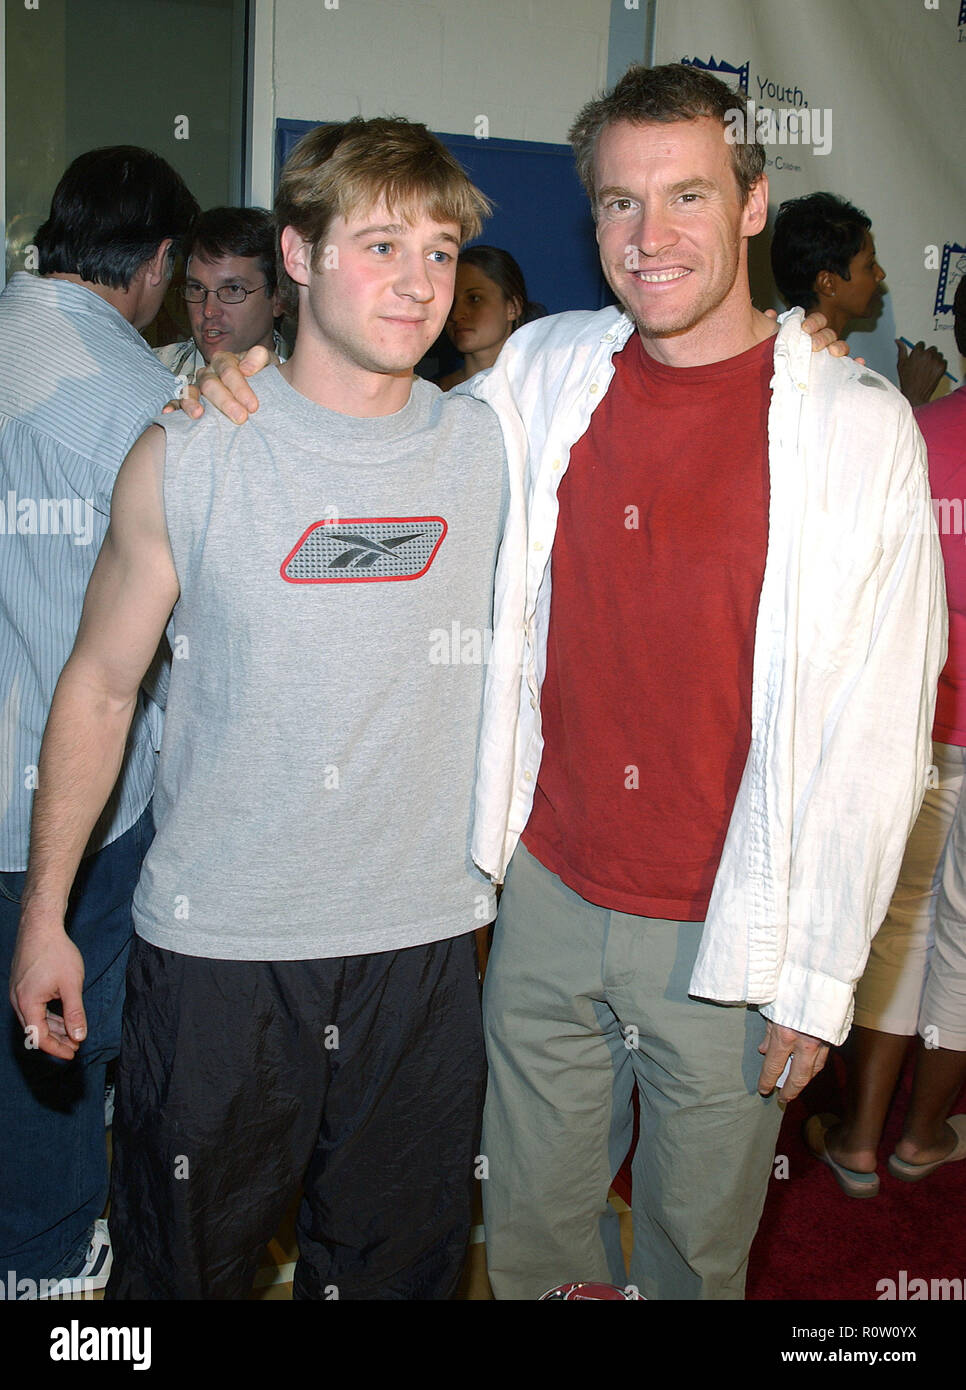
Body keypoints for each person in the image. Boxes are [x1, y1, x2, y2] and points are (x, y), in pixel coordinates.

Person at [192, 69, 909, 1302]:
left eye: (687, 194)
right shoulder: (547, 370)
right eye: (620, 204)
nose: (651, 235)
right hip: (546, 897)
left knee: (695, 1255)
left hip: (734, 927)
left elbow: (878, 731)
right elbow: (381, 428)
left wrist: (821, 976)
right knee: (531, 1243)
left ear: (752, 204)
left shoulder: (856, 428)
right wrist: (228, 381)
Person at [10, 115, 505, 1301]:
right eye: (380, 245)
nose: (417, 282)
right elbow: (99, 685)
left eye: (439, 253)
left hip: (423, 952)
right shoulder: (189, 449)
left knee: (397, 1277)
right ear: (299, 254)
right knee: (183, 1277)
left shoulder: (492, 443)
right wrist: (43, 913)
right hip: (222, 949)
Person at [0, 145, 198, 1297]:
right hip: (70, 798)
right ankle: (55, 1272)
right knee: (58, 1042)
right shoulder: (140, 407)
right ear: (157, 263)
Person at [806, 277, 966, 1196]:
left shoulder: (920, 433)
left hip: (921, 728)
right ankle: (923, 1135)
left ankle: (859, 1140)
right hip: (928, 727)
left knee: (899, 927)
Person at [771, 191, 948, 407]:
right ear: (828, 283)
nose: (880, 274)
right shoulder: (804, 366)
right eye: (869, 265)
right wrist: (913, 397)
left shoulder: (796, 355)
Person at [154, 205, 287, 385]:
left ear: (278, 299)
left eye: (232, 289)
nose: (209, 310)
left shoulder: (307, 382)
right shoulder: (150, 374)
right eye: (197, 288)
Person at [437, 245, 540, 391]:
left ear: (513, 307)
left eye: (474, 299)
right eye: (451, 302)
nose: (456, 314)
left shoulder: (541, 391)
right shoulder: (432, 396)